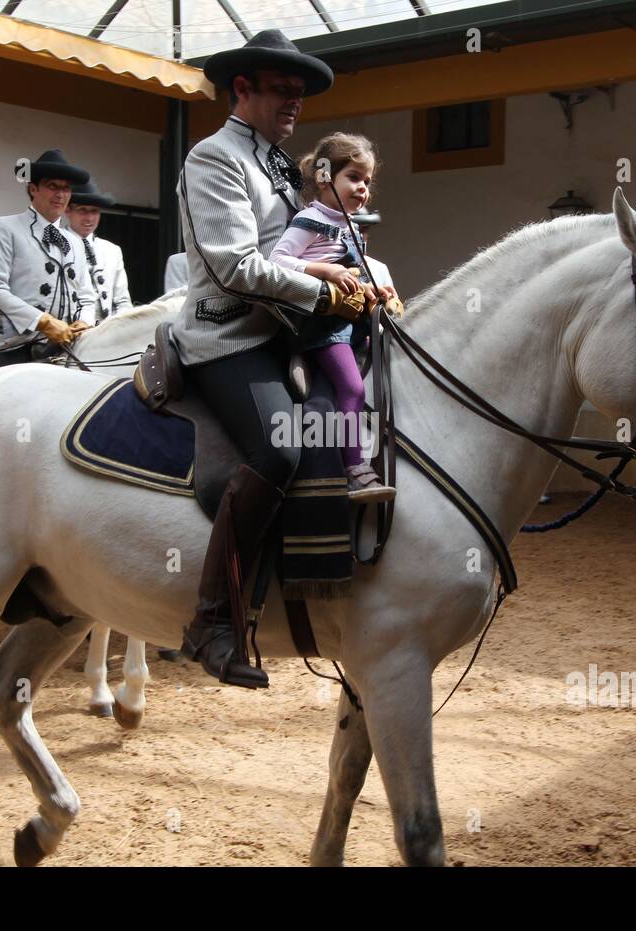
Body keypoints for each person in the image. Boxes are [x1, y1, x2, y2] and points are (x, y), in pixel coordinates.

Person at [172, 30, 370, 689]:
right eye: (281, 89)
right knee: (281, 448)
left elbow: (316, 240)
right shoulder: (214, 158)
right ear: (243, 89)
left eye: (300, 93)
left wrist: (361, 285)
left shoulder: (283, 166)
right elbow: (233, 267)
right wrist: (324, 292)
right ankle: (214, 620)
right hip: (227, 336)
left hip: (286, 331)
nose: (294, 102)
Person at [270, 133, 397, 502]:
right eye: (354, 178)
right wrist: (323, 271)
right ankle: (355, 468)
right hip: (324, 324)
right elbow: (277, 261)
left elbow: (354, 275)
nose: (363, 189)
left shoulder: (352, 228)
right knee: (353, 388)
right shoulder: (310, 219)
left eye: (367, 182)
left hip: (353, 320)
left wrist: (375, 292)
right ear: (325, 178)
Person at [0, 149, 95, 373]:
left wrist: (85, 322)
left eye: (65, 188)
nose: (60, 194)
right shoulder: (4, 228)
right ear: (33, 188)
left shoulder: (75, 242)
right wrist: (44, 322)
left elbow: (87, 296)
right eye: (52, 186)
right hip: (10, 348)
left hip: (65, 349)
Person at [64, 179, 131, 322]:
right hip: (66, 332)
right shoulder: (56, 245)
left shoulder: (111, 250)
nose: (89, 218)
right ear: (67, 210)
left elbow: (122, 301)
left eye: (94, 211)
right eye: (82, 210)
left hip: (105, 334)